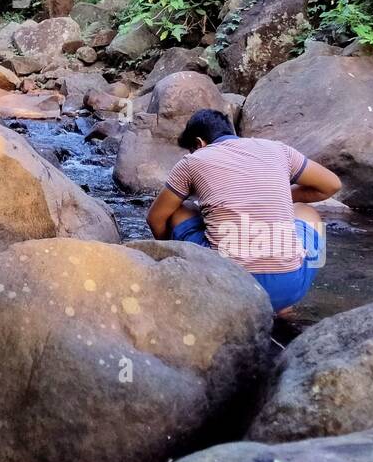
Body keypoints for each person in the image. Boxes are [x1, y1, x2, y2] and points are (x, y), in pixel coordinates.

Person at [146, 108, 341, 313]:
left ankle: (188, 276)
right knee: (308, 214)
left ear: (199, 143)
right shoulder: (278, 149)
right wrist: (276, 196)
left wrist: (171, 258)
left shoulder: (193, 161)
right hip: (290, 287)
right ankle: (283, 309)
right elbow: (331, 185)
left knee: (177, 210)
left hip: (227, 288)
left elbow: (155, 218)